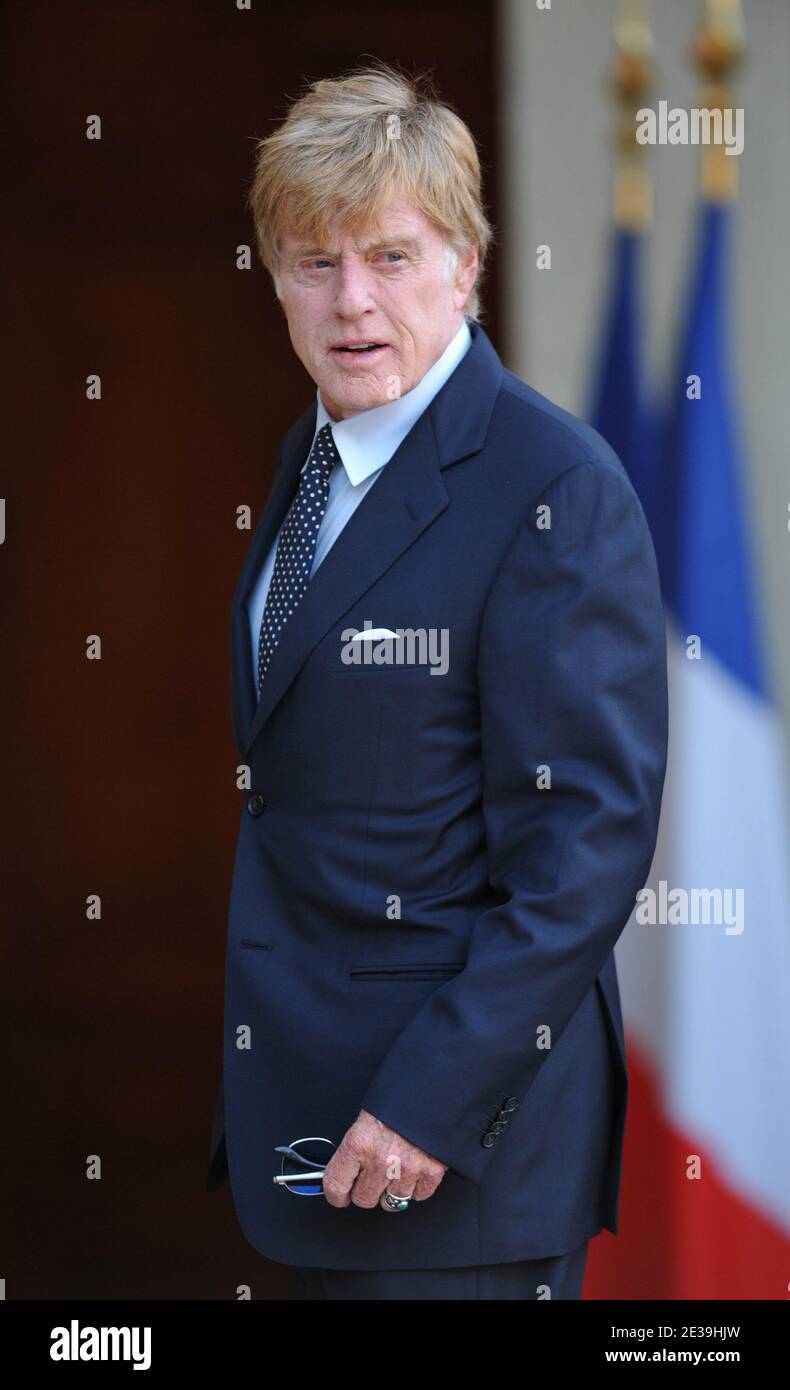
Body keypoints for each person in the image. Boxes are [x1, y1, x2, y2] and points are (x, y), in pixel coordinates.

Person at [206, 60, 668, 1301]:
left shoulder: (550, 488)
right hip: (312, 1129)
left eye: (392, 257)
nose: (351, 301)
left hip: (454, 1156)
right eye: (314, 260)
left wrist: (425, 1108)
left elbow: (584, 851)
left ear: (467, 264)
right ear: (275, 276)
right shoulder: (315, 457)